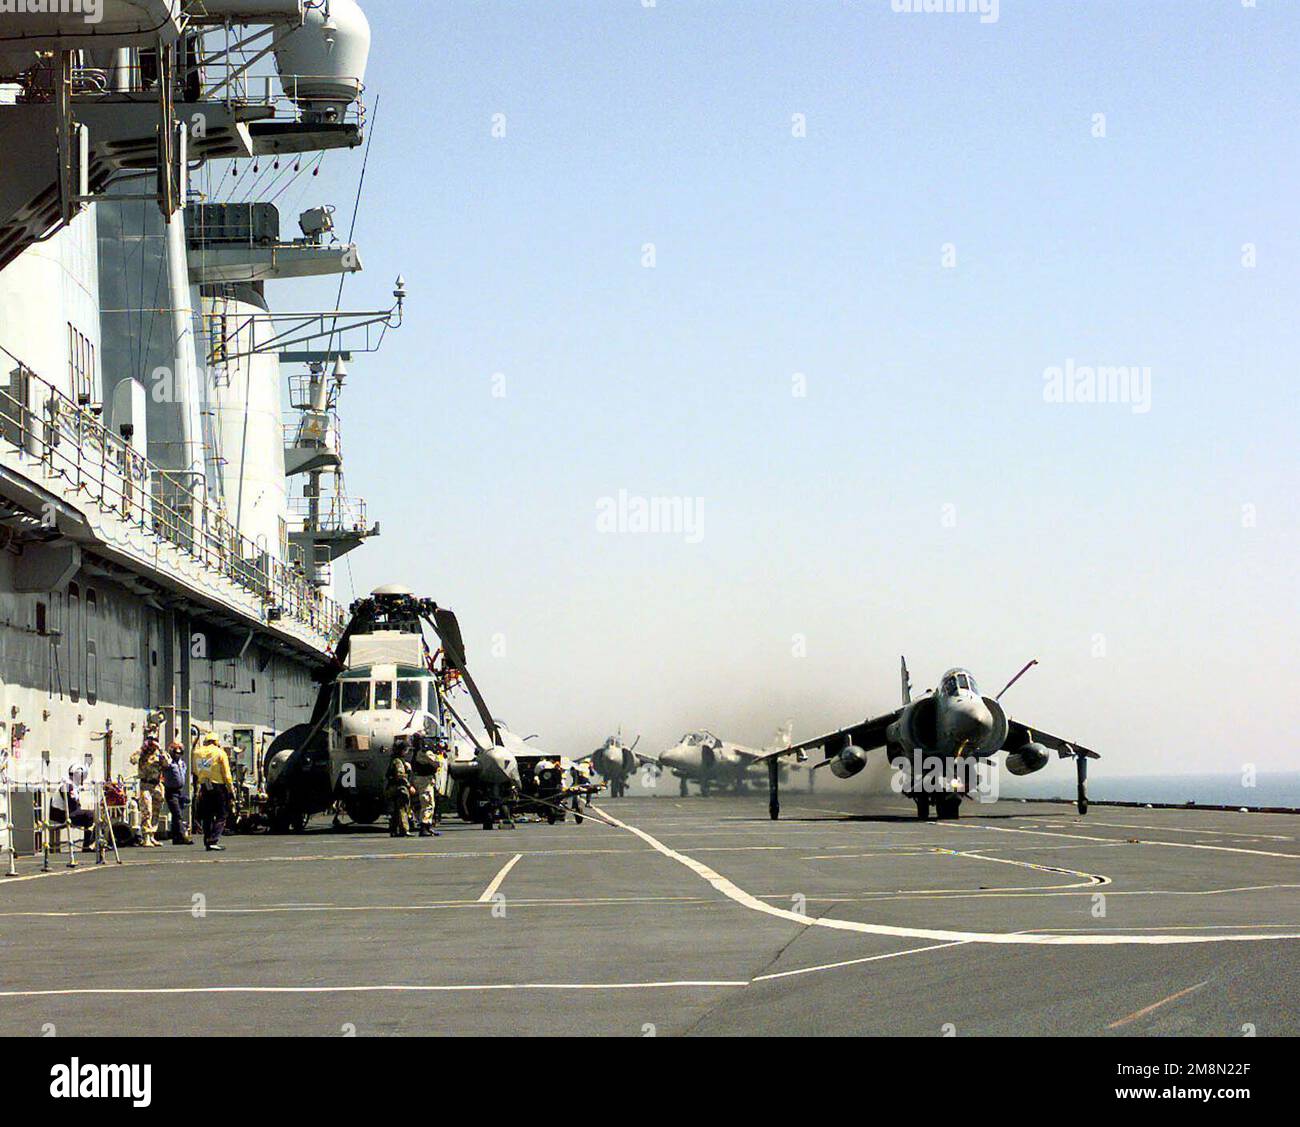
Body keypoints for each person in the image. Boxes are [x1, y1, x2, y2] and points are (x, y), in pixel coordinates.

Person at [192, 732, 234, 852]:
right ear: (216, 741)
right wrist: (231, 790)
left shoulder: (197, 753)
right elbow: (227, 774)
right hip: (218, 786)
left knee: (207, 815)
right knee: (222, 814)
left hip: (204, 786)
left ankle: (207, 840)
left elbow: (195, 770)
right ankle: (213, 840)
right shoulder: (220, 753)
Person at [130, 734, 167, 847]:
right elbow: (133, 760)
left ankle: (152, 835)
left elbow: (167, 763)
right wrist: (142, 750)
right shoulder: (142, 753)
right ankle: (146, 836)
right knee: (147, 810)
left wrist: (160, 750)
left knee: (156, 810)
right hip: (145, 784)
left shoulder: (159, 754)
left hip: (156, 785)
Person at [49, 764, 96, 851]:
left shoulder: (70, 785)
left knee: (90, 816)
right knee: (91, 815)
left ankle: (89, 844)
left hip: (63, 812)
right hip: (61, 815)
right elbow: (72, 804)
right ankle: (87, 845)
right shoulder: (67, 785)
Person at [410, 734, 442, 838]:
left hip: (421, 779)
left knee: (425, 802)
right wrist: (439, 753)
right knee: (428, 803)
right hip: (425, 780)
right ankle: (424, 826)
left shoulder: (416, 752)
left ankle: (427, 826)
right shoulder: (425, 753)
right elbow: (437, 763)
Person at [161, 741, 193, 845]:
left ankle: (176, 837)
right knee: (177, 814)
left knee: (176, 815)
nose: (177, 755)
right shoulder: (169, 763)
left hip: (179, 791)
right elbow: (163, 759)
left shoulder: (182, 763)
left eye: (179, 752)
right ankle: (182, 835)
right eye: (175, 752)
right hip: (171, 791)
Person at [385, 752, 414, 837]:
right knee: (402, 808)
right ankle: (404, 829)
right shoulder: (398, 761)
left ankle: (394, 830)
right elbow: (400, 775)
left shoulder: (393, 760)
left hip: (392, 787)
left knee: (395, 810)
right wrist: (409, 786)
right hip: (399, 787)